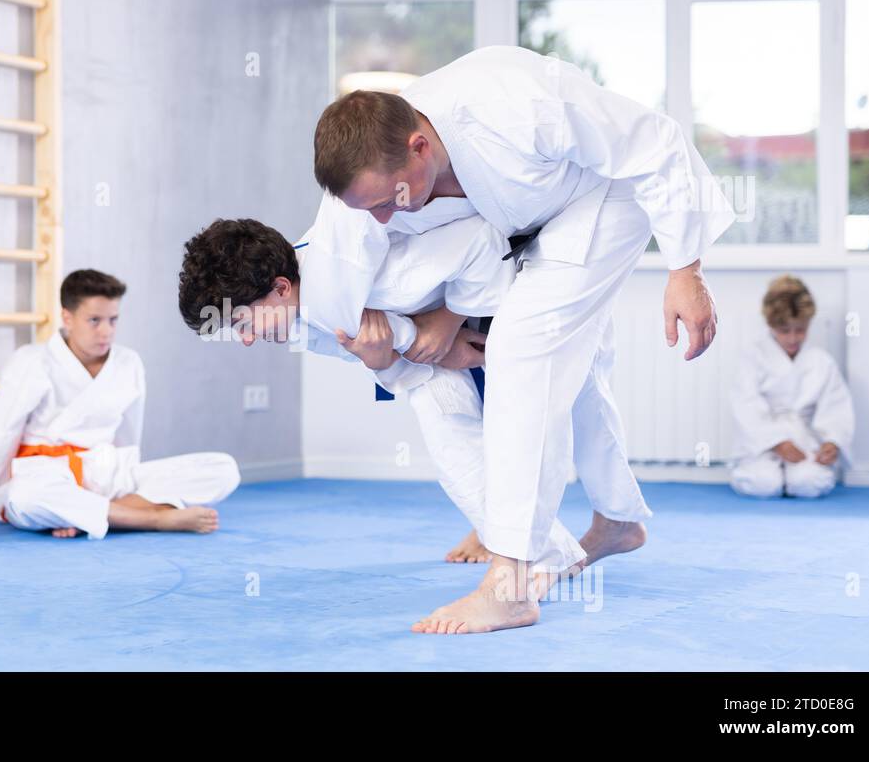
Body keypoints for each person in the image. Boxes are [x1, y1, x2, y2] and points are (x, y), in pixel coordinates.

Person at [306, 45, 735, 633]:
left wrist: (686, 268)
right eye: (368, 209)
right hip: (529, 235)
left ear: (419, 146)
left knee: (524, 350)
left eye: (388, 202)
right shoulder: (363, 191)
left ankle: (510, 584)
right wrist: (400, 336)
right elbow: (339, 286)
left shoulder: (513, 102)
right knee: (575, 368)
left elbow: (654, 141)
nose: (382, 219)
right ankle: (617, 519)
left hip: (603, 197)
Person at [179, 210, 652, 599]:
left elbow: (483, 243)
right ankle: (548, 551)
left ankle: (615, 521)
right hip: (446, 326)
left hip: (532, 272)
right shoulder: (301, 319)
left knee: (574, 406)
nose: (244, 340)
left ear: (281, 287)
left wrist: (444, 326)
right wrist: (394, 358)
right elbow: (383, 353)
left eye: (243, 323)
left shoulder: (355, 265)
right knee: (451, 440)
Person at [0, 269, 239, 538]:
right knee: (25, 499)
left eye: (113, 320)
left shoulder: (128, 362)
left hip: (107, 476)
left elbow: (129, 436)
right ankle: (153, 518)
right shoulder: (31, 361)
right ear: (67, 317)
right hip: (48, 476)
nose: (106, 331)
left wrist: (126, 477)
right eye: (95, 320)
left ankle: (94, 516)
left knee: (222, 469)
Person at [730, 275, 854, 498]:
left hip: (804, 439)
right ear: (771, 324)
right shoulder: (753, 357)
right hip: (762, 442)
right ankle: (772, 472)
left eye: (800, 330)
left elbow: (836, 406)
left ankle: (795, 477)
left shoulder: (821, 361)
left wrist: (832, 441)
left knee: (809, 483)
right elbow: (746, 406)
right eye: (785, 330)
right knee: (764, 483)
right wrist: (776, 442)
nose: (793, 338)